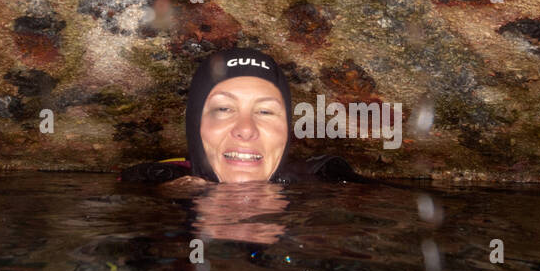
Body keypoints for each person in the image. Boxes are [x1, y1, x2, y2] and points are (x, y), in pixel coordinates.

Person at [119, 49, 365, 184]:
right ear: (195, 124)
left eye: (265, 111)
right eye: (224, 109)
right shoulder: (150, 188)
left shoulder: (328, 186)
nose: (246, 129)